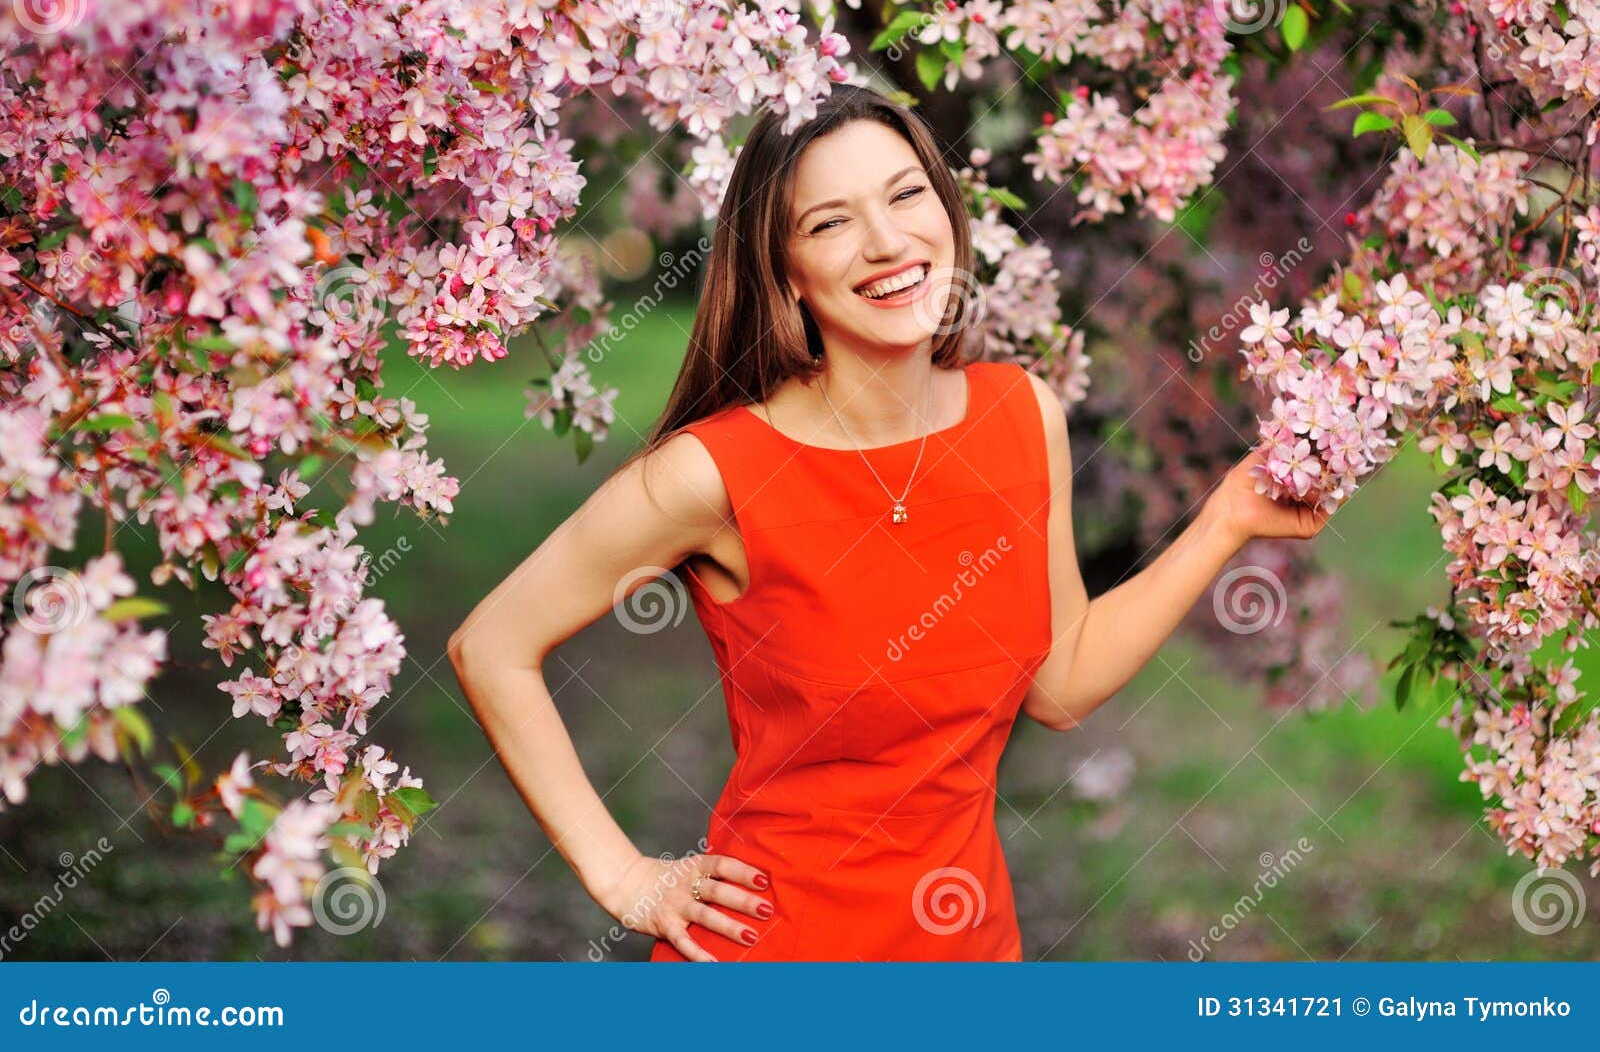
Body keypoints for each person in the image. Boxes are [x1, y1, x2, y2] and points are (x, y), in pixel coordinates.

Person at [446, 82, 1330, 962]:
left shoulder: (1022, 414)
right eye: (830, 222)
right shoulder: (713, 472)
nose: (887, 242)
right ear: (784, 271)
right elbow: (492, 643)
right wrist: (624, 876)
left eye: (907, 195)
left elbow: (1057, 682)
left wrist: (1224, 524)